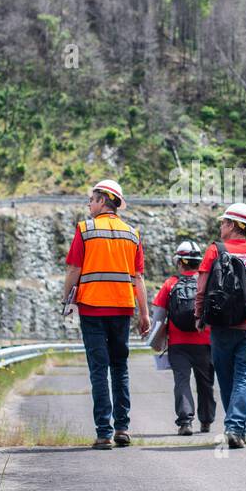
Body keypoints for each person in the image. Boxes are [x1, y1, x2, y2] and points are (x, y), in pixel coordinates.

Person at [61, 179, 150, 449]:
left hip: (92, 308)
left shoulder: (85, 230)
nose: (89, 204)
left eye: (92, 199)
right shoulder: (132, 234)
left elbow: (74, 270)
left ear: (102, 201)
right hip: (122, 308)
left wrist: (66, 300)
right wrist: (144, 314)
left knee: (99, 369)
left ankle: (104, 432)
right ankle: (122, 428)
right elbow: (139, 278)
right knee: (120, 367)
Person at [193, 203, 246, 449]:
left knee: (227, 377)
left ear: (232, 225)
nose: (221, 226)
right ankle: (235, 428)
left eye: (223, 222)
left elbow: (201, 288)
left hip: (221, 326)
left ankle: (234, 427)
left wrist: (199, 316)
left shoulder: (215, 251)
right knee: (245, 377)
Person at [152, 240, 216, 435]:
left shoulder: (170, 284)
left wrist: (156, 340)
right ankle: (206, 421)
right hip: (205, 341)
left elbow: (158, 317)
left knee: (182, 381)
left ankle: (185, 422)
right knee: (205, 382)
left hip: (178, 343)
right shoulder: (207, 282)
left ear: (180, 262)